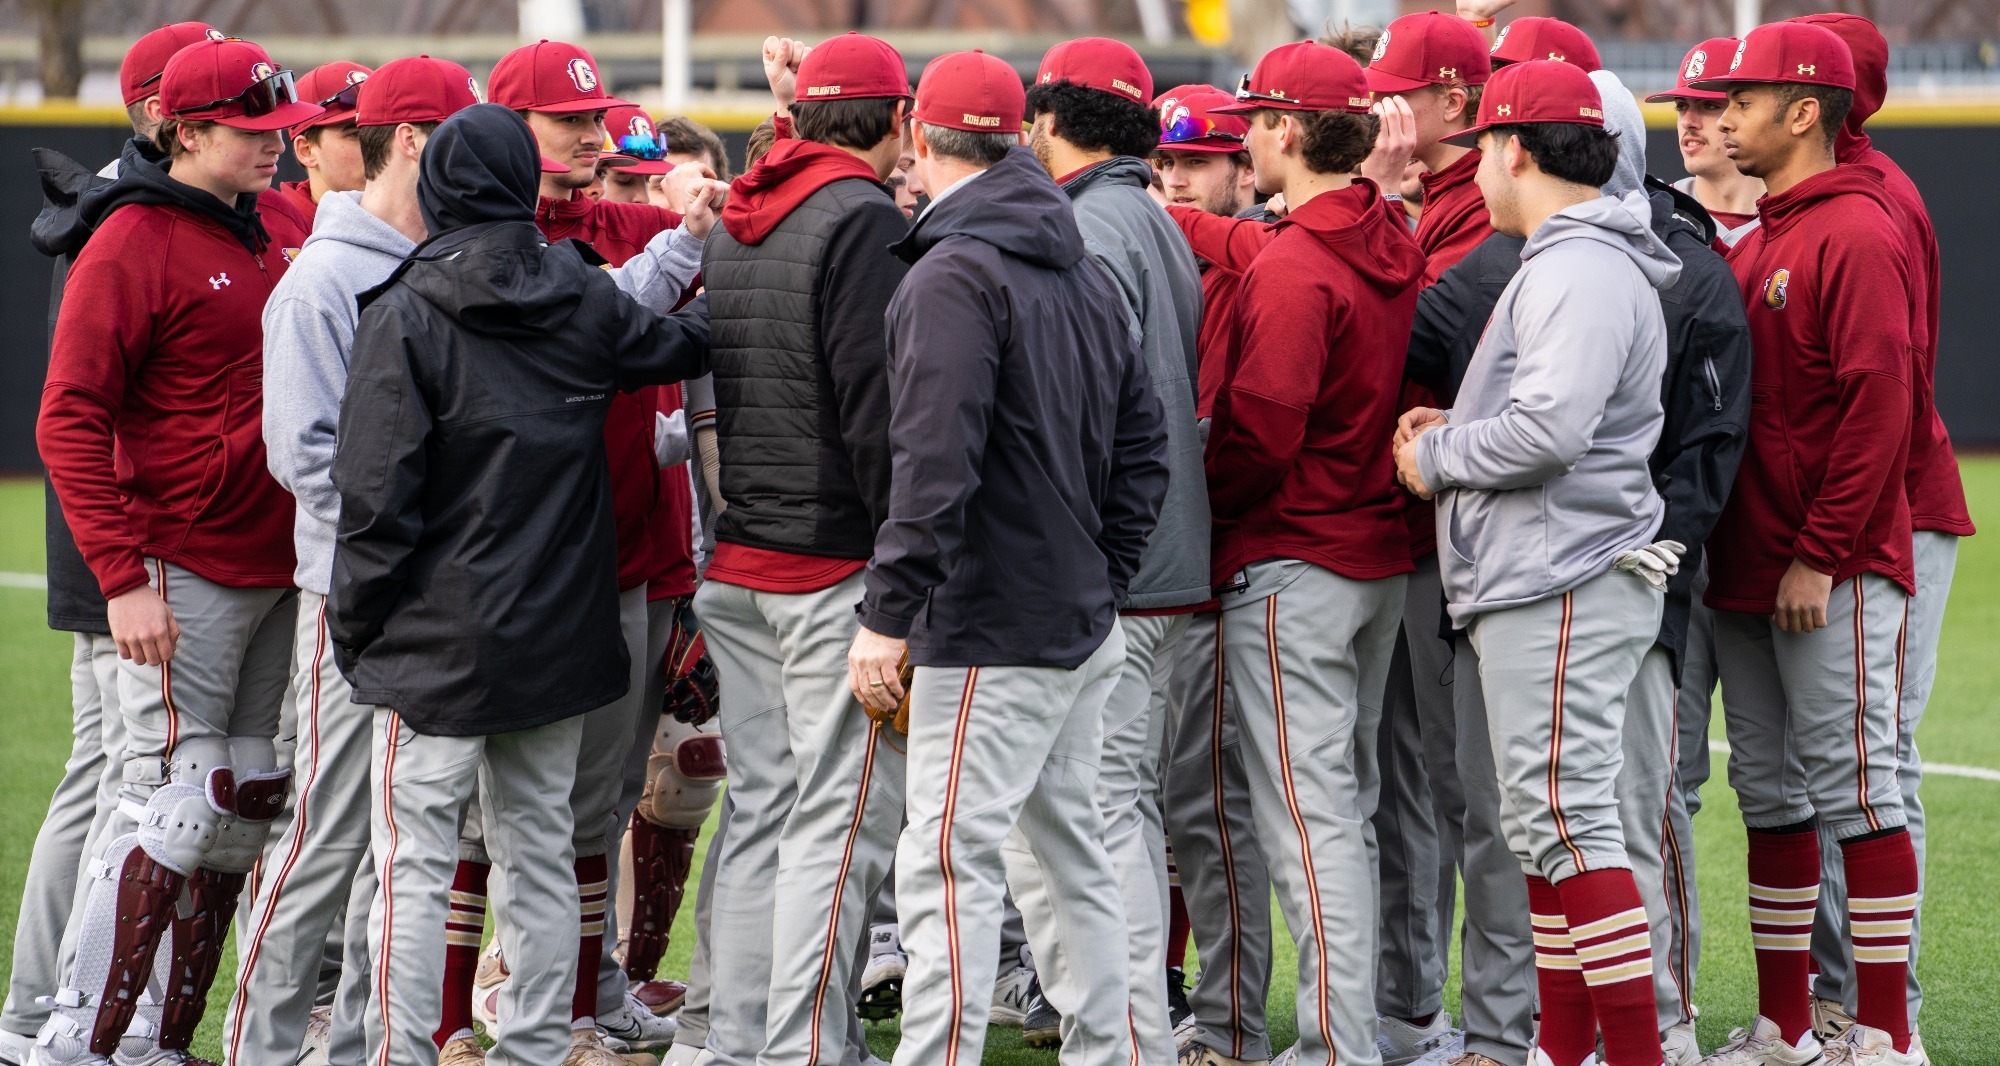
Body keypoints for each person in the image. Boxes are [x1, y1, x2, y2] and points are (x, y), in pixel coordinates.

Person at [327, 102, 714, 1066]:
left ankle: (405, 1049)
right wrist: (748, 249)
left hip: (435, 640)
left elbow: (376, 498)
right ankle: (536, 1045)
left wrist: (357, 633)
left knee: (415, 863)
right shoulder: (580, 294)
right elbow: (678, 344)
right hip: (560, 626)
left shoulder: (407, 305)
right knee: (540, 850)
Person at [1402, 65, 1754, 1066]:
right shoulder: (1578, 258)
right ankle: (1562, 1054)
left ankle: (1632, 1054)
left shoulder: (1576, 266)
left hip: (1560, 575)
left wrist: (1434, 455)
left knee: (1566, 826)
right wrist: (1463, 424)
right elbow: (1556, 418)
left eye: (1478, 149)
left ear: (1512, 149)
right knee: (1546, 832)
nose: (1471, 170)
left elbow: (1551, 433)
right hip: (1552, 571)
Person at [846, 46, 1169, 1066]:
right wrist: (1100, 576)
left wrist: (886, 612)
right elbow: (1147, 445)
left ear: (913, 126)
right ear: (1016, 132)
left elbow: (932, 463)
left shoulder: (957, 267)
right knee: (1066, 857)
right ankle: (1119, 1050)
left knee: (947, 857)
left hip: (994, 618)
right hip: (1069, 614)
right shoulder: (1065, 254)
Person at [31, 35, 322, 1066]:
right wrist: (120, 576)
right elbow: (67, 417)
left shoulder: (263, 228)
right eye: (253, 133)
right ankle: (79, 1037)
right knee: (167, 800)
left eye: (280, 130)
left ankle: (158, 1036)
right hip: (177, 564)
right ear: (185, 131)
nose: (278, 150)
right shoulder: (131, 238)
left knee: (238, 805)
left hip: (271, 565)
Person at [216, 54, 479, 1066]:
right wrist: (410, 549)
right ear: (411, 140)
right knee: (323, 841)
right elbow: (305, 457)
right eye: (455, 130)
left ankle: (359, 1046)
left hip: (430, 600)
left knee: (397, 846)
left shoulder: (432, 260)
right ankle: (261, 1050)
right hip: (356, 598)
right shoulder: (324, 277)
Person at [1181, 41, 1421, 1066]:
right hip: (1372, 558)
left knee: (1304, 822)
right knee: (1343, 813)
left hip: (1292, 562)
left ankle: (1335, 1046)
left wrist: (1208, 520)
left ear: (1284, 130)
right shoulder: (1382, 230)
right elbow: (1277, 249)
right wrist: (1171, 217)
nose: (1243, 133)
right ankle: (1349, 1031)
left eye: (1255, 118)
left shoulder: (1294, 261)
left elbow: (1259, 431)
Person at [1689, 22, 1924, 1066]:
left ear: (1800, 111)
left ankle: (1886, 1033)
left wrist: (1820, 552)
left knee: (1859, 788)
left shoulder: (1855, 230)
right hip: (1750, 562)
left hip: (1825, 567)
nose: (1719, 115)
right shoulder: (1778, 230)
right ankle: (1784, 1026)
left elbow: (1882, 406)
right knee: (1774, 797)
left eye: (1740, 99)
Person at [472, 40, 706, 1061]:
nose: (591, 135)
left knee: (603, 800)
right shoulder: (486, 237)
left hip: (636, 554)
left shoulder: (631, 224)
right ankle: (493, 999)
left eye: (594, 119)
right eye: (568, 123)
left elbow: (720, 247)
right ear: (508, 127)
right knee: (501, 812)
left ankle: (586, 987)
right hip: (527, 566)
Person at [0, 21, 227, 1066]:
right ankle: (44, 1009)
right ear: (158, 113)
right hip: (121, 545)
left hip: (120, 540)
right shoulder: (121, 212)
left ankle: (47, 1008)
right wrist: (118, 567)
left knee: (112, 775)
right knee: (112, 779)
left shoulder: (136, 197)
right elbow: (78, 410)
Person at [694, 30, 914, 1066]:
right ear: (898, 120)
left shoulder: (745, 204)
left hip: (741, 557)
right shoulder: (859, 214)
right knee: (838, 828)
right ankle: (805, 1051)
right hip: (829, 565)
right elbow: (876, 411)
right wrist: (900, 572)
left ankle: (735, 1042)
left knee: (762, 819)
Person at [1012, 37, 1207, 1063]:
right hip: (1164, 556)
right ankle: (1120, 1018)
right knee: (1111, 805)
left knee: (1101, 809)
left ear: (1051, 119)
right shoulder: (1151, 216)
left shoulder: (1089, 224)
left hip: (1119, 565)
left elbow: (1088, 416)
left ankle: (1129, 1026)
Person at [1787, 14, 1971, 1049]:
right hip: (1882, 502)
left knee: (1871, 766)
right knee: (1853, 766)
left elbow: (1879, 397)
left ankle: (1877, 1013)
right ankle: (1839, 999)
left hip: (1893, 506)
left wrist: (1823, 542)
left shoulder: (1869, 205)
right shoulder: (1843, 192)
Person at [1148, 82, 1279, 1066]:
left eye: (1196, 161)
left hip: (1230, 560)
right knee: (1152, 797)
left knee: (1213, 805)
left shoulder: (1253, 257)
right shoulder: (1141, 245)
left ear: (1246, 165)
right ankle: (1155, 994)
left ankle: (1227, 1016)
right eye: (1164, 163)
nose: (1176, 180)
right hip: (1150, 563)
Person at [1647, 39, 1762, 248]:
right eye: (1681, 106)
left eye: (1709, 106)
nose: (1688, 121)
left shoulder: (1793, 216)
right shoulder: (1653, 214)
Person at [275, 61, 373, 224]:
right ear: (306, 151)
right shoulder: (275, 232)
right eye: (355, 135)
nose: (378, 145)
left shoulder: (414, 220)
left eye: (381, 132)